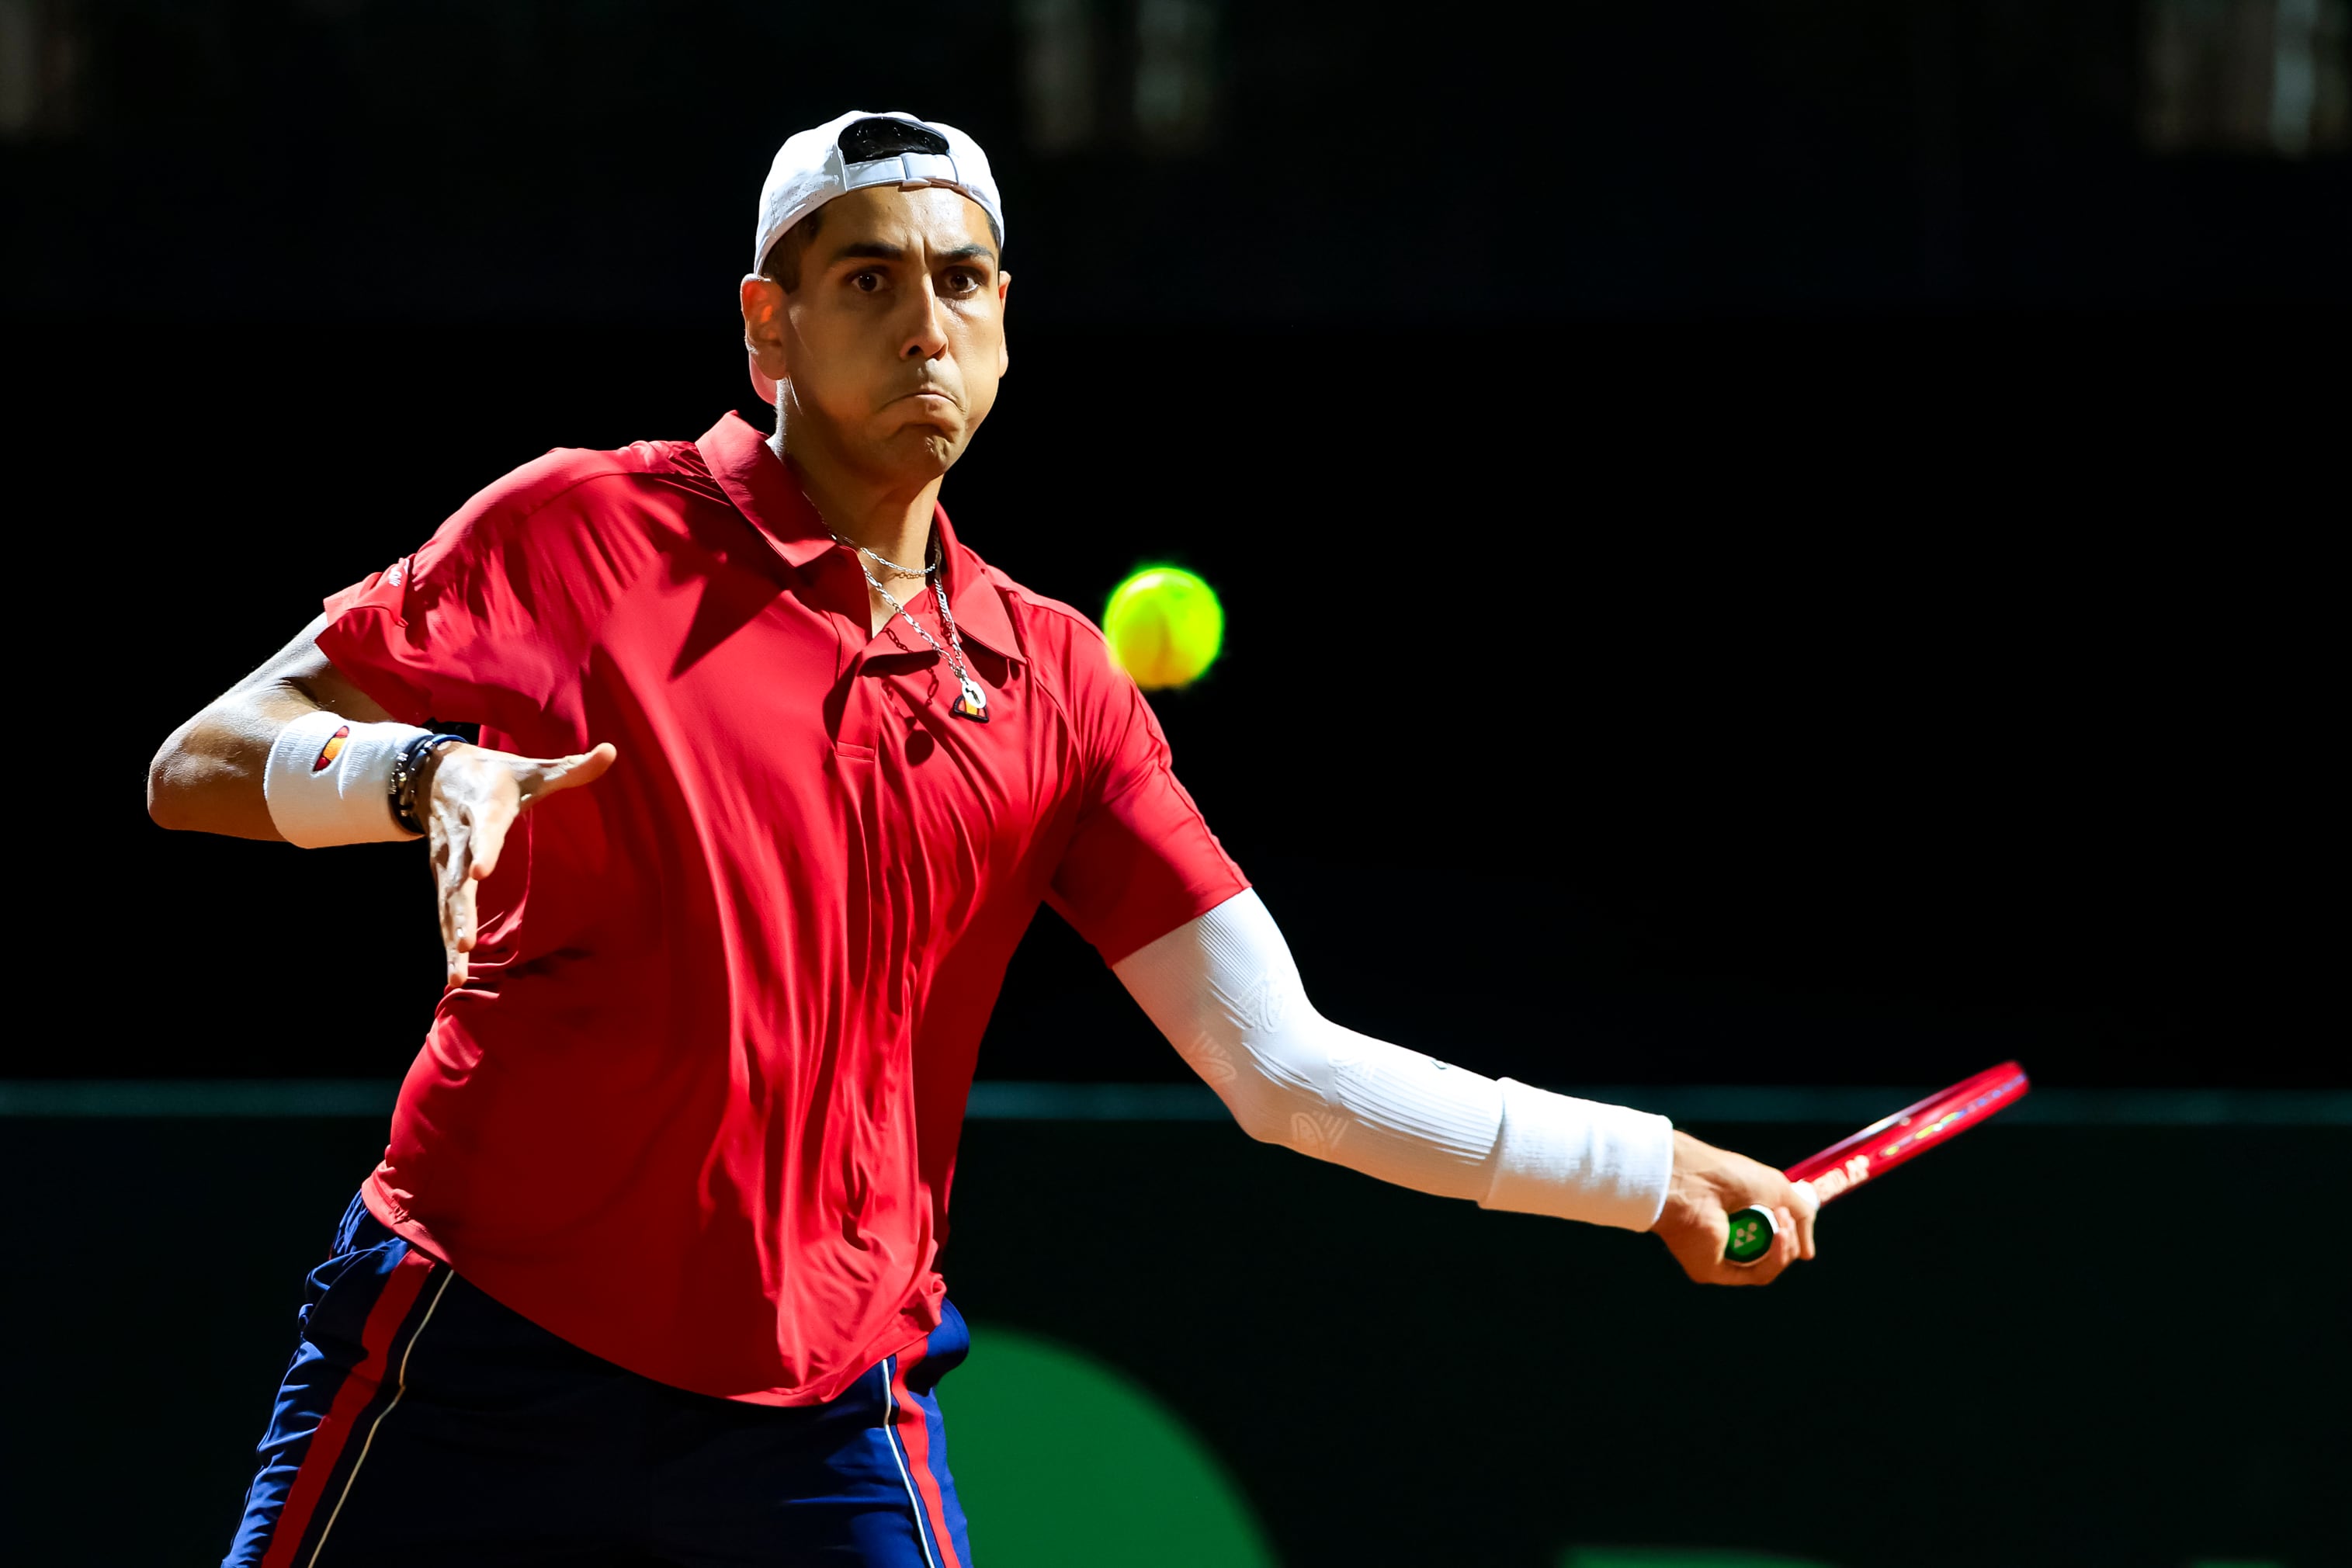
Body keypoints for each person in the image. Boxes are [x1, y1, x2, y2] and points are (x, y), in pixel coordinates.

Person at [149, 109, 1819, 1568]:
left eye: (960, 281)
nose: (924, 324)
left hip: (823, 1412)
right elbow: (199, 758)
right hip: (477, 1344)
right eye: (868, 279)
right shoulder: (586, 529)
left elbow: (1280, 1068)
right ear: (770, 327)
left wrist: (1643, 1168)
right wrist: (414, 775)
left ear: (1007, 317)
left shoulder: (1058, 684)